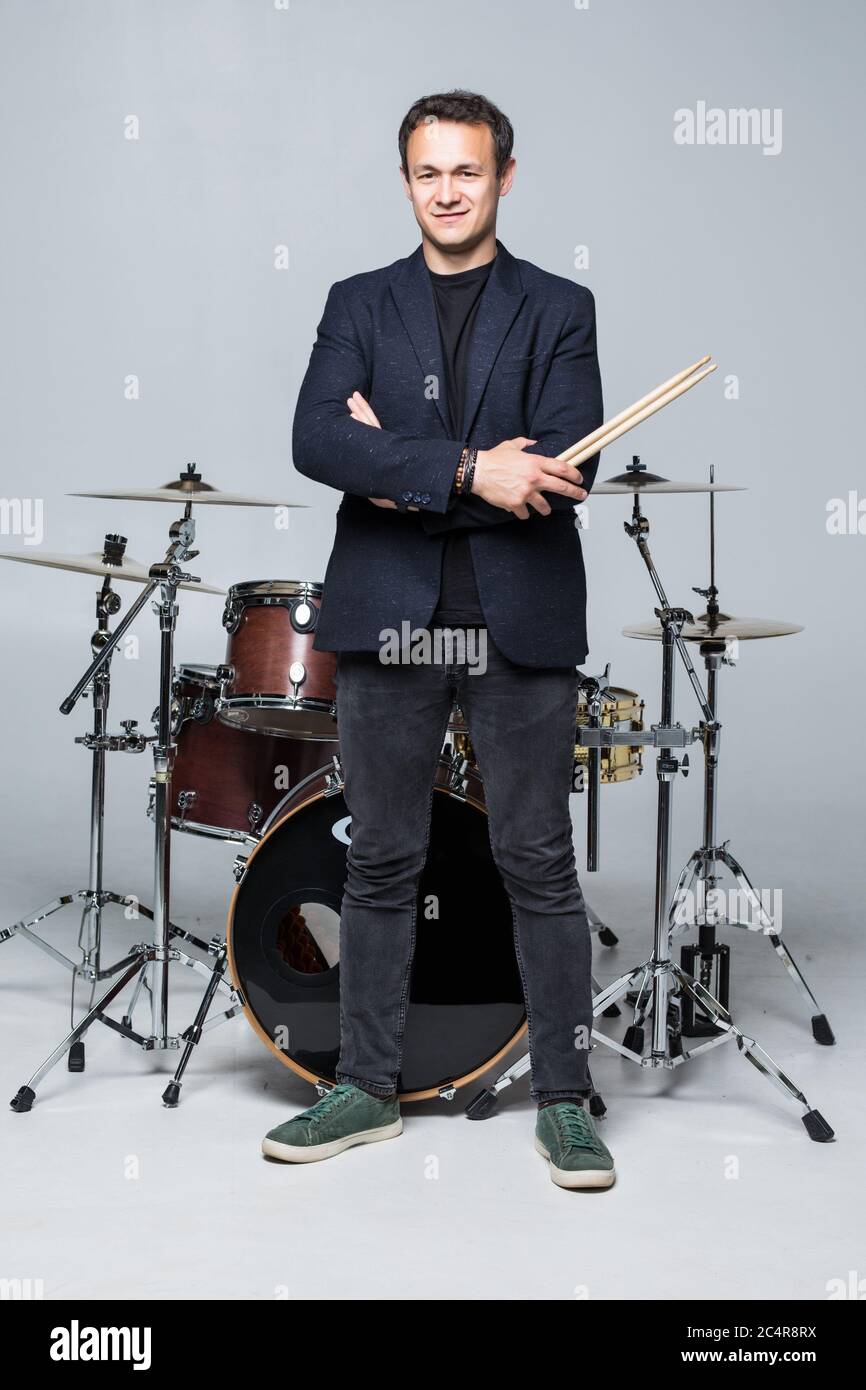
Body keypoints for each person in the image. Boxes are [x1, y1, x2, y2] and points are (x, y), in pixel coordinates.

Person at [263, 89, 614, 1190]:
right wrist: (471, 470)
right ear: (405, 179)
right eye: (428, 172)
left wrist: (400, 466)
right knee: (378, 858)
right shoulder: (355, 302)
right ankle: (363, 1086)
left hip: (516, 623)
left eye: (467, 170)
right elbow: (316, 441)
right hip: (387, 618)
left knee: (538, 865)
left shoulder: (560, 306)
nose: (447, 190)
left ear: (504, 176)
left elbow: (566, 473)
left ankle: (564, 1097)